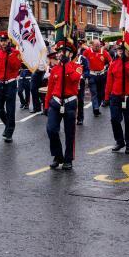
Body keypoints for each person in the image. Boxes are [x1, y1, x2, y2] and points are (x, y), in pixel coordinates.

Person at [45, 41, 83, 170]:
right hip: (55, 102)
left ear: (71, 54)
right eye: (59, 51)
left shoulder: (77, 66)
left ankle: (68, 159)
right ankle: (57, 155)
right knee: (51, 129)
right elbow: (50, 88)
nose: (60, 54)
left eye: (64, 51)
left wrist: (67, 64)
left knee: (69, 132)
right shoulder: (55, 68)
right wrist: (46, 105)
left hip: (70, 102)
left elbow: (74, 79)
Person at [0, 31, 22, 142]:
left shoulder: (15, 53)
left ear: (8, 41)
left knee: (10, 110)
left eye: (5, 41)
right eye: (1, 41)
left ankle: (9, 132)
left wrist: (10, 54)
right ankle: (8, 125)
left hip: (10, 85)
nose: (3, 43)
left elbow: (16, 66)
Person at [106, 41, 129, 153]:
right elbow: (109, 81)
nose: (120, 51)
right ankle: (119, 141)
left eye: (122, 49)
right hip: (115, 96)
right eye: (118, 49)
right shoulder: (113, 63)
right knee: (114, 119)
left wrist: (127, 62)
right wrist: (107, 97)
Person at [83, 39, 112, 118]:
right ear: (92, 45)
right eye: (96, 46)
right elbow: (82, 61)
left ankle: (97, 105)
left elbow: (110, 61)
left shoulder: (104, 52)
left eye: (99, 46)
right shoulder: (87, 52)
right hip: (92, 75)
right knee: (94, 92)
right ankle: (95, 108)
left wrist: (110, 68)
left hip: (102, 76)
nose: (97, 48)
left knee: (101, 93)